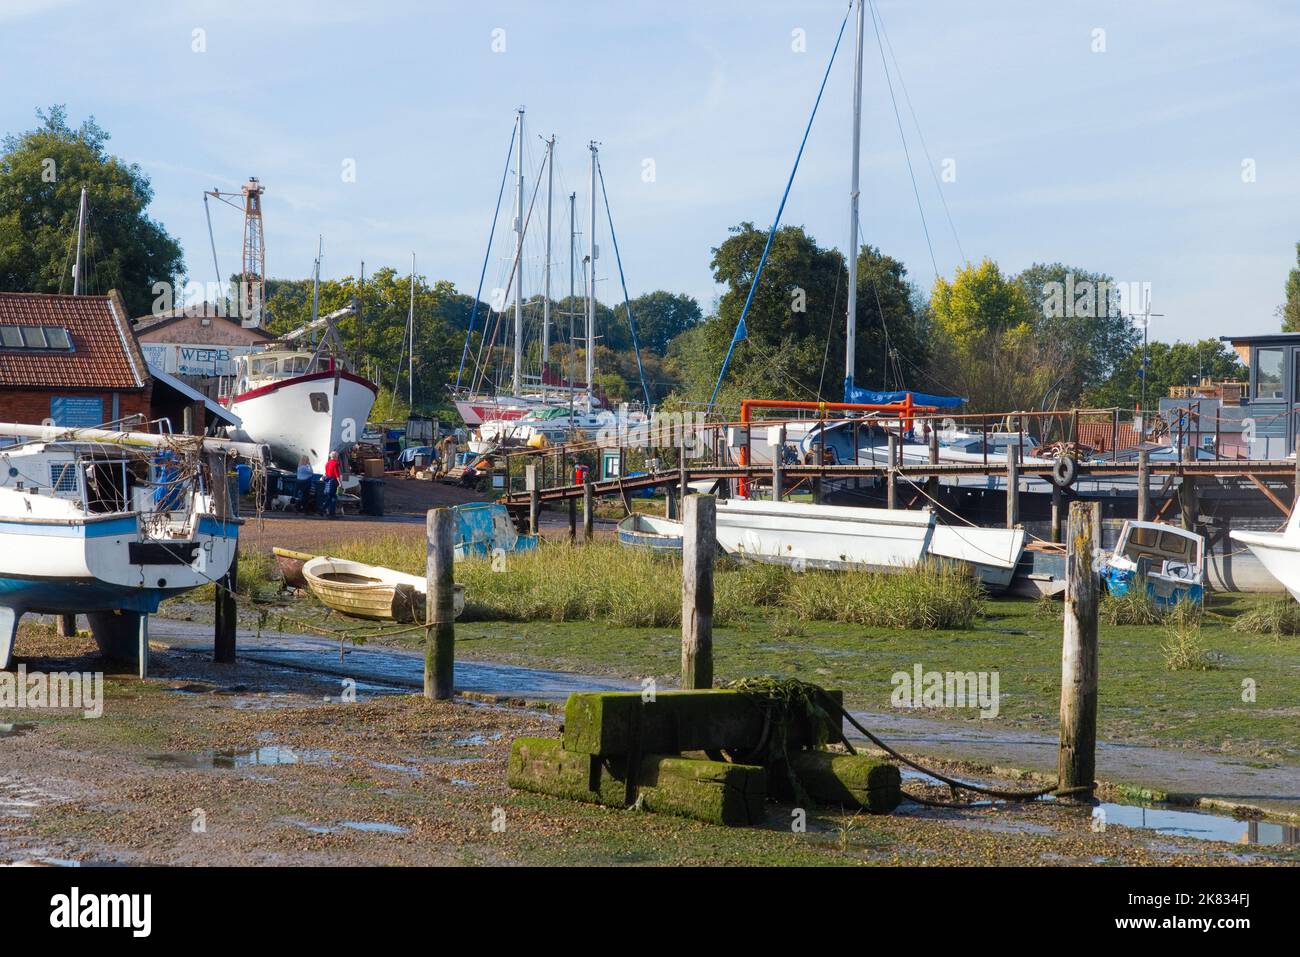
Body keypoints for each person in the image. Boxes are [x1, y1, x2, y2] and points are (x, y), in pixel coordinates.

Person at [320, 450, 342, 518]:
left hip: (328, 480)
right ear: (335, 456)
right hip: (333, 481)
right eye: (337, 456)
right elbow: (337, 474)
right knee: (334, 498)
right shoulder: (335, 464)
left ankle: (322, 509)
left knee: (329, 497)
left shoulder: (327, 463)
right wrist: (340, 483)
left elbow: (326, 473)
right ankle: (331, 513)